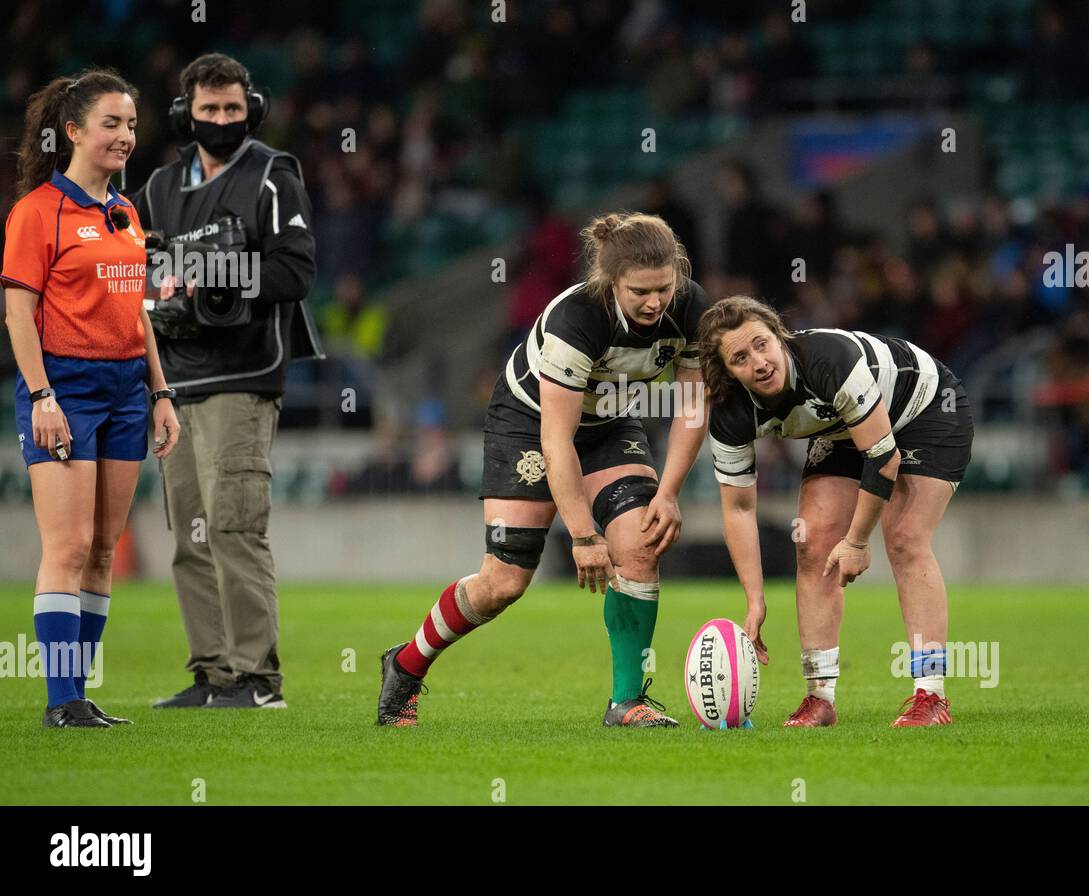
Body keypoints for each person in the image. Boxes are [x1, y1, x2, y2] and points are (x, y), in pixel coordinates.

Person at [375, 212, 709, 728]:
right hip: (530, 425)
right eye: (640, 292)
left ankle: (626, 702)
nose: (654, 302)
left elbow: (691, 406)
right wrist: (583, 535)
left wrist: (668, 493)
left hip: (610, 421)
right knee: (503, 583)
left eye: (663, 288)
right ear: (611, 281)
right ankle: (406, 663)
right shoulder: (576, 319)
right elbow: (556, 439)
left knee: (641, 544)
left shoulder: (691, 307)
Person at [134, 53, 324, 710]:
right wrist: (162, 284)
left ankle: (257, 678)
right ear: (185, 114)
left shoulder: (273, 174)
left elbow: (296, 271)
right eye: (209, 109)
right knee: (189, 535)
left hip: (244, 376)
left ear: (253, 110)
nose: (221, 120)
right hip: (176, 380)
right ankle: (212, 674)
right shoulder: (159, 188)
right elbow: (136, 269)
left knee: (233, 527)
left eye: (232, 109)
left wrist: (213, 275)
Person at [698, 296, 973, 728]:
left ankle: (931, 695)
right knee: (812, 543)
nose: (760, 363)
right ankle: (819, 698)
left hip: (927, 408)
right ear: (727, 372)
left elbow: (883, 458)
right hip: (845, 429)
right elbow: (738, 507)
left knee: (904, 538)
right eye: (740, 358)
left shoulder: (829, 360)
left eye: (762, 344)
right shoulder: (730, 413)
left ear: (779, 336)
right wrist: (754, 599)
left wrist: (857, 542)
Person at [3, 69, 181, 728]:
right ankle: (60, 700)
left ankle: (78, 694)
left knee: (105, 548)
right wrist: (42, 395)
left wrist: (160, 393)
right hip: (65, 387)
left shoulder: (126, 214)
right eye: (111, 123)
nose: (125, 136)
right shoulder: (36, 211)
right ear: (73, 130)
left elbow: (137, 313)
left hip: (127, 389)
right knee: (70, 546)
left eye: (131, 124)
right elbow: (18, 315)